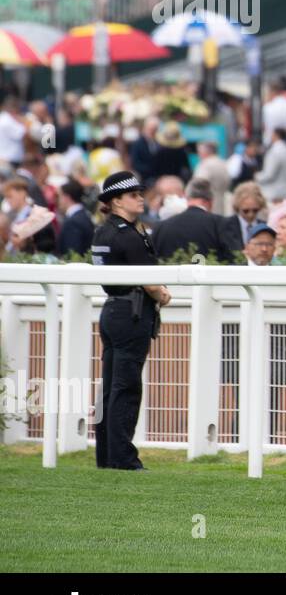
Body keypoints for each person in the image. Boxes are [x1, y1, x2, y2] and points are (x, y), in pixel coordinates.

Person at [91, 172, 172, 470]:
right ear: (115, 201)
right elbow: (148, 280)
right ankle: (123, 459)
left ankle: (108, 457)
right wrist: (162, 294)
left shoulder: (103, 232)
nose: (140, 198)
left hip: (113, 311)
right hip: (132, 314)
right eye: (133, 194)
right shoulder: (128, 234)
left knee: (111, 388)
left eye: (140, 192)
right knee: (126, 388)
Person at [151, 177, 239, 263]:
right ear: (211, 201)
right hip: (211, 277)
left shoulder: (160, 228)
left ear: (186, 197)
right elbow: (236, 260)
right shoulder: (221, 224)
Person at [56, 180, 94, 256]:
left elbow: (72, 255)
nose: (57, 201)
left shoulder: (73, 222)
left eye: (59, 196)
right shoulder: (83, 215)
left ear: (66, 197)